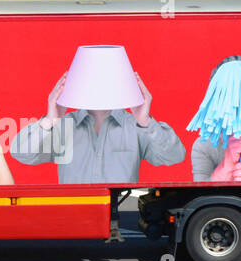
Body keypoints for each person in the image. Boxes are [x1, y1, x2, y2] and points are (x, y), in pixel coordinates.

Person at [10, 72, 185, 184]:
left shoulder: (135, 126)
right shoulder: (64, 126)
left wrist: (146, 121)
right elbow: (22, 154)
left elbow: (175, 156)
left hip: (121, 221)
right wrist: (49, 120)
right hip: (72, 221)